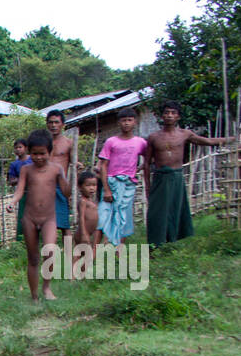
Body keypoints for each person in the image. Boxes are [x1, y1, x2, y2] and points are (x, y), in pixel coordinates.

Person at [145, 101, 230, 248]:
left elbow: (208, 141)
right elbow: (146, 163)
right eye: (166, 113)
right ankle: (154, 245)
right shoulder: (153, 137)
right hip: (160, 178)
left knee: (175, 209)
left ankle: (172, 242)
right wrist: (147, 187)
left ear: (178, 116)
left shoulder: (185, 134)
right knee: (156, 212)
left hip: (177, 176)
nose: (169, 116)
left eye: (173, 113)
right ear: (162, 116)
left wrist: (233, 139)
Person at [6, 129, 69, 302]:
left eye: (42, 154)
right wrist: (12, 202)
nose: (38, 157)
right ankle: (34, 296)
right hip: (30, 218)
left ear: (50, 152)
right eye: (34, 154)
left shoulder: (56, 169)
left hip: (49, 218)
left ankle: (47, 287)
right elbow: (19, 190)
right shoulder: (26, 170)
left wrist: (65, 179)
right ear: (29, 152)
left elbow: (67, 192)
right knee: (33, 257)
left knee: (49, 251)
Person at [95, 108, 148, 247]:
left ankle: (119, 249)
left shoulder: (140, 142)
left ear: (135, 122)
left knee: (124, 216)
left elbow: (149, 159)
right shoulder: (111, 141)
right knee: (103, 215)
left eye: (129, 120)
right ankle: (94, 250)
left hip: (128, 184)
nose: (126, 123)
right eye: (123, 120)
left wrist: (138, 169)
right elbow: (103, 165)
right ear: (119, 122)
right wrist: (106, 189)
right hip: (111, 182)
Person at [46, 110, 75, 239]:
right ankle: (48, 255)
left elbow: (73, 164)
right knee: (45, 223)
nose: (53, 125)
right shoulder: (43, 143)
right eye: (50, 122)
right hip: (44, 184)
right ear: (47, 124)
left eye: (56, 122)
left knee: (64, 224)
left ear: (62, 124)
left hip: (60, 185)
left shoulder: (68, 143)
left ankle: (69, 256)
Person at [73, 170, 100, 279]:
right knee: (78, 255)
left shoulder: (93, 202)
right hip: (82, 233)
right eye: (88, 185)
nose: (92, 188)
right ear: (80, 187)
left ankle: (80, 275)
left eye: (94, 185)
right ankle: (72, 277)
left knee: (88, 255)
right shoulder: (83, 201)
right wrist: (84, 234)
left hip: (89, 233)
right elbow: (81, 218)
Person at [7, 139, 31, 241]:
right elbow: (11, 181)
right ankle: (21, 241)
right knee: (23, 217)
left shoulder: (33, 160)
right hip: (23, 193)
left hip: (36, 192)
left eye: (20, 147)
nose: (18, 150)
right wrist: (22, 178)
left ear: (26, 148)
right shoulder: (14, 164)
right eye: (16, 148)